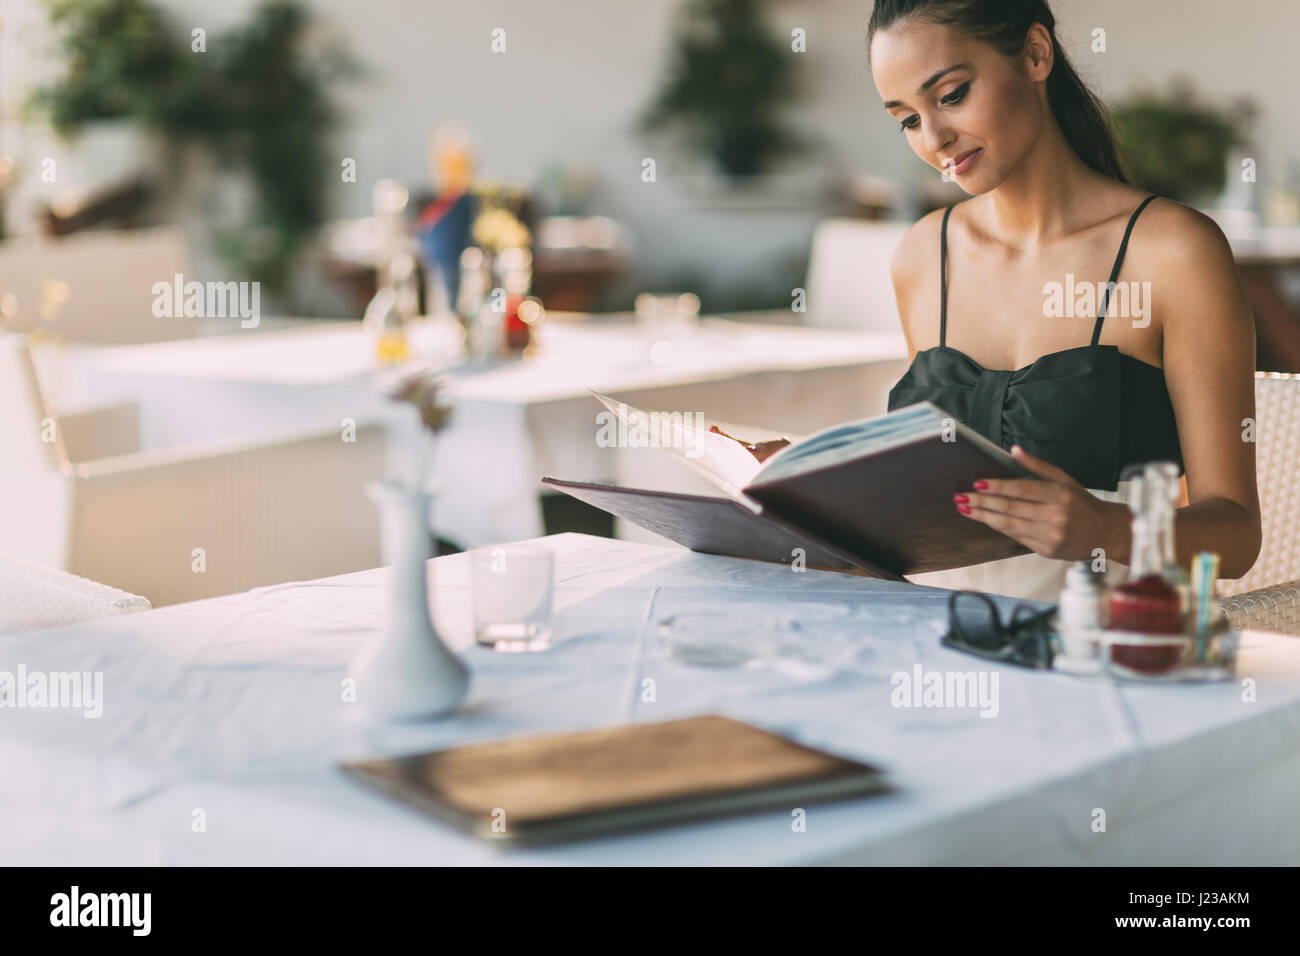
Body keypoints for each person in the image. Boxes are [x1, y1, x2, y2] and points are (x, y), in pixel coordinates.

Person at [723, 0, 1261, 603]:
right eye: (906, 119)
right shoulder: (923, 257)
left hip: (1107, 655)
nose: (934, 139)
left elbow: (1236, 536)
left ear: (1035, 53)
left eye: (951, 94)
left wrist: (1105, 529)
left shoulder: (1172, 252)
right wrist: (824, 486)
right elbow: (929, 499)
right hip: (931, 638)